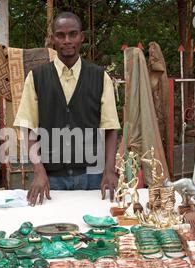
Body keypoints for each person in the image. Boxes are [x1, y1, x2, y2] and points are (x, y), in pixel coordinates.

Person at [13, 11, 121, 206]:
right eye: (60, 35)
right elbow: (28, 127)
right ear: (53, 39)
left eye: (72, 34)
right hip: (51, 179)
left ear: (81, 37)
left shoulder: (99, 77)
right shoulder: (37, 77)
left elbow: (110, 127)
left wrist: (109, 170)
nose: (67, 40)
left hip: (93, 177)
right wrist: (38, 171)